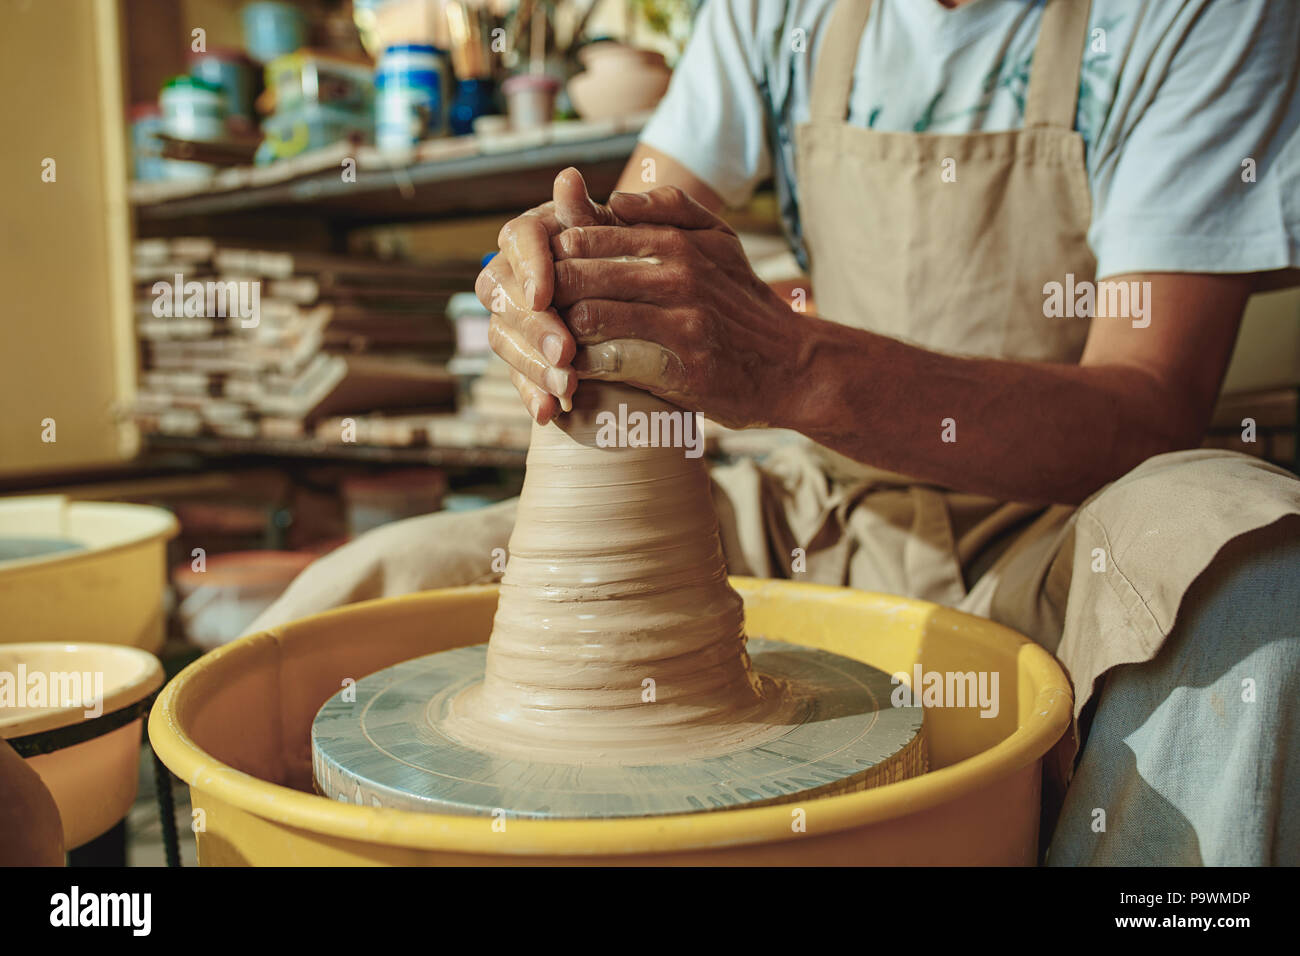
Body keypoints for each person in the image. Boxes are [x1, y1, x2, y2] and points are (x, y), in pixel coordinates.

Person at [253, 0, 1300, 864]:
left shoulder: (1196, 12)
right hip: (822, 502)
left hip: (1064, 527)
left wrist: (791, 366)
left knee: (1258, 582)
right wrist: (564, 284)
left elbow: (1146, 400)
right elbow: (634, 238)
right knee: (374, 585)